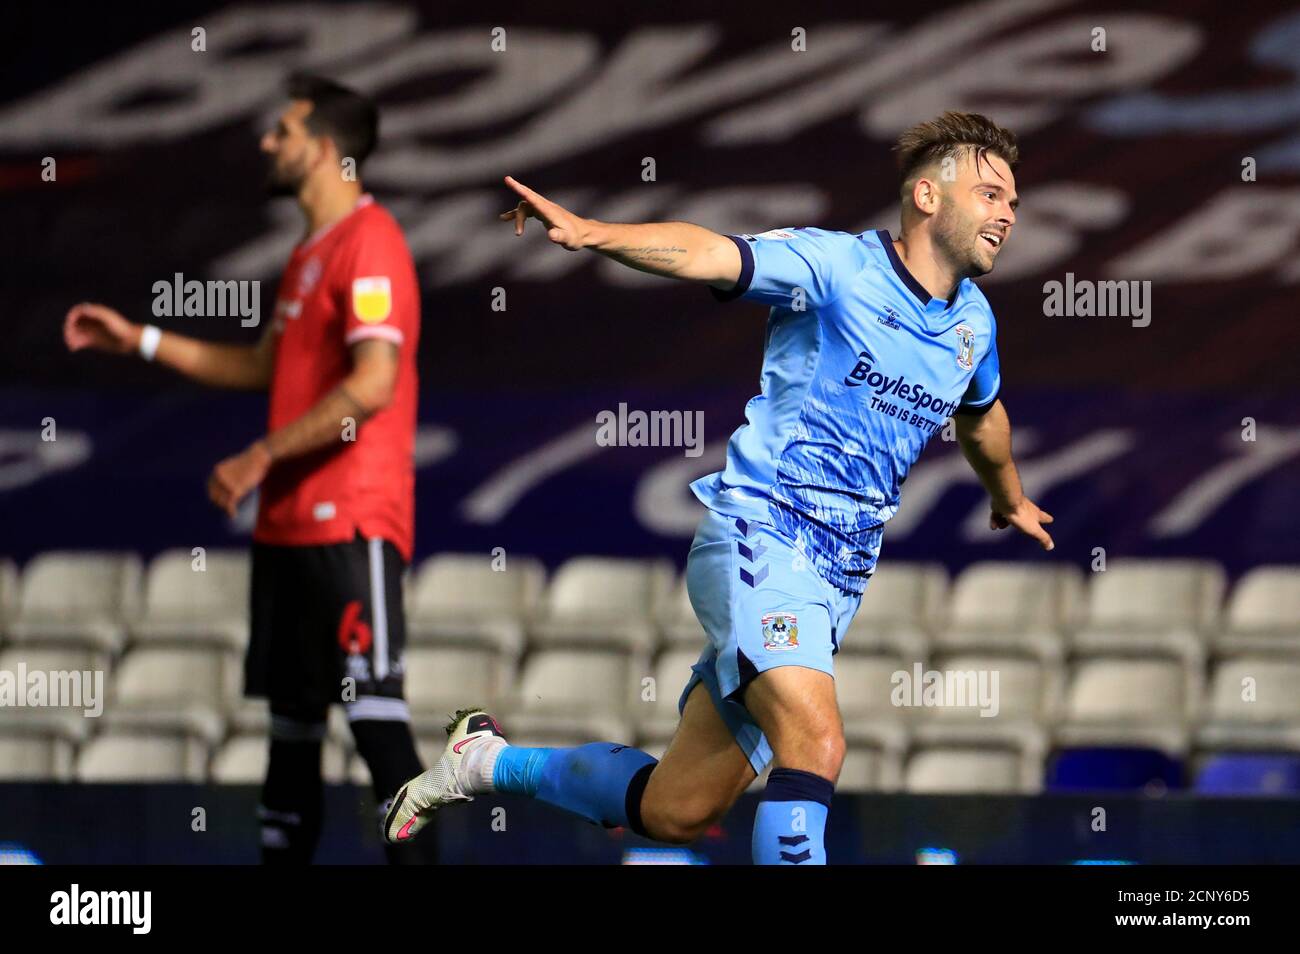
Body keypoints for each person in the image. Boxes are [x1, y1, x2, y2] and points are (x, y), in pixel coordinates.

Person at [383, 110, 1052, 865]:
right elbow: (710, 253)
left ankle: (482, 762)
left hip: (835, 582)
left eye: (1014, 203)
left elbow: (982, 414)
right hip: (763, 536)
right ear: (928, 197)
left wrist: (1009, 497)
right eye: (992, 194)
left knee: (677, 810)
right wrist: (596, 233)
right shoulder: (834, 268)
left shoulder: (974, 324)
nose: (1007, 215)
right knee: (818, 742)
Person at [63, 74, 432, 865]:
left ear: (326, 150)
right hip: (288, 529)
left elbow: (371, 387)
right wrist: (144, 341)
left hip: (354, 520)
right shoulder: (309, 253)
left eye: (283, 132)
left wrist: (262, 453)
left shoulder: (372, 243)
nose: (267, 143)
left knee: (374, 719)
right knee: (290, 734)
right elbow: (267, 367)